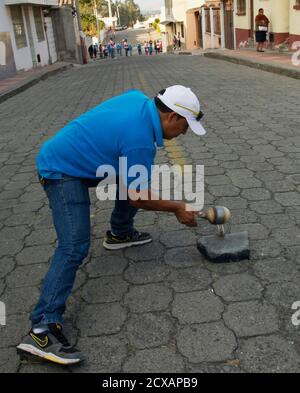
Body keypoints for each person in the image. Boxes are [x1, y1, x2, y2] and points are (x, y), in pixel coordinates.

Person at [17, 85, 207, 365]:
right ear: (170, 117)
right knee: (74, 247)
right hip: (61, 171)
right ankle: (41, 329)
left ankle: (119, 233)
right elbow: (138, 197)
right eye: (185, 126)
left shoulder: (138, 100)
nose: (184, 133)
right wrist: (178, 207)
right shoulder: (139, 140)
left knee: (130, 175)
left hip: (80, 158)